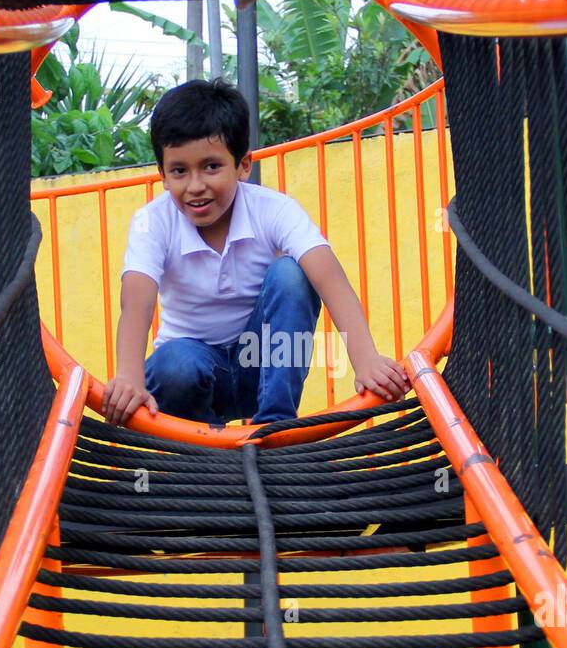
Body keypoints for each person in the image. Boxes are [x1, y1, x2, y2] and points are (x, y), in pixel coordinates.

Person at [101, 78, 408, 428]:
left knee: (292, 273)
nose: (196, 185)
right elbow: (137, 301)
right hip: (190, 374)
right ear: (163, 176)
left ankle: (275, 422)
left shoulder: (272, 210)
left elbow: (329, 277)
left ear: (243, 165)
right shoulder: (152, 222)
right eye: (179, 171)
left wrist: (365, 358)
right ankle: (201, 447)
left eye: (211, 166)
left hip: (259, 365)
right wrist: (128, 377)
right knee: (174, 363)